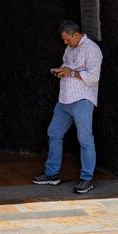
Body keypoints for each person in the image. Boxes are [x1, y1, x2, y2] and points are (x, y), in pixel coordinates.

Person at [33, 19, 103, 195]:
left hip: (82, 100)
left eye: (67, 39)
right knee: (54, 133)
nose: (65, 42)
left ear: (76, 35)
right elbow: (68, 66)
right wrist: (61, 70)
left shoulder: (92, 50)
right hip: (64, 100)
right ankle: (52, 174)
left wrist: (70, 73)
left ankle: (87, 179)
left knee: (85, 139)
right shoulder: (70, 48)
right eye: (63, 39)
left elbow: (94, 77)